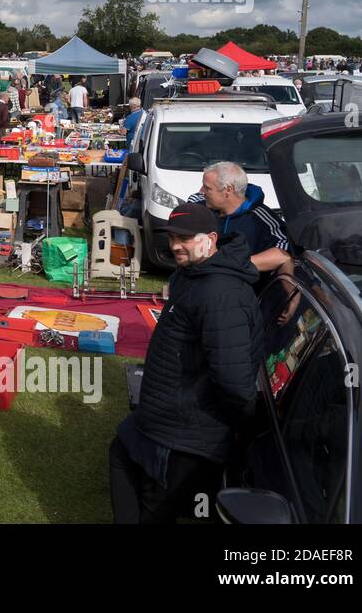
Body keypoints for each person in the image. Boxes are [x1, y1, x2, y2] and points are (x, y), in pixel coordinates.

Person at [108, 203, 262, 524]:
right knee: (122, 453)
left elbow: (234, 382)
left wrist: (240, 430)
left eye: (185, 238)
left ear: (210, 238)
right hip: (164, 417)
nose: (175, 245)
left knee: (157, 506)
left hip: (186, 433)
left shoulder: (222, 296)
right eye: (173, 236)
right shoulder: (193, 274)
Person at [188, 161, 291, 285]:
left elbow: (285, 251)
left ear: (228, 190)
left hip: (241, 292)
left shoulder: (260, 218)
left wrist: (234, 264)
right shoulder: (198, 206)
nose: (202, 192)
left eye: (208, 188)